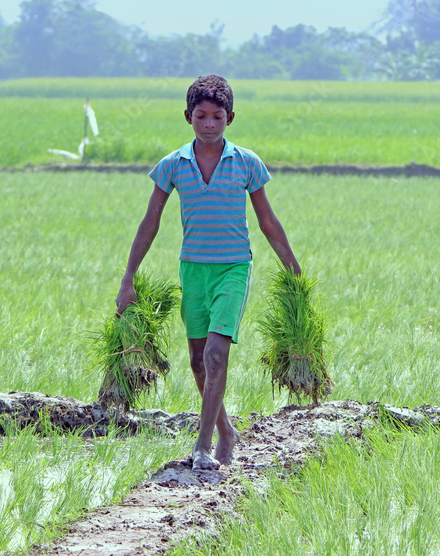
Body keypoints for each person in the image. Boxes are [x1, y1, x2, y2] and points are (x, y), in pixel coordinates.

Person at [115, 74, 301, 470]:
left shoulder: (247, 163)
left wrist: (293, 270)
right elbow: (151, 222)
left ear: (230, 118)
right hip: (193, 270)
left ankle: (203, 445)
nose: (209, 124)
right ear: (188, 117)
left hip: (233, 268)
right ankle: (227, 429)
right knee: (198, 361)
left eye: (218, 116)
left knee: (217, 355)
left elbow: (267, 221)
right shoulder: (173, 165)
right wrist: (128, 279)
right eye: (201, 116)